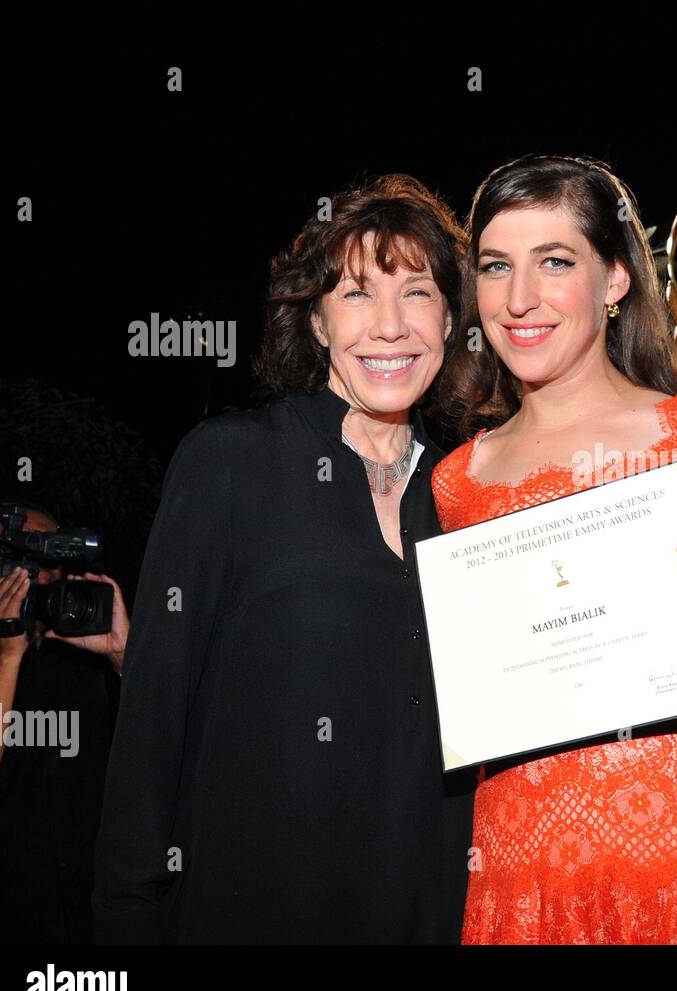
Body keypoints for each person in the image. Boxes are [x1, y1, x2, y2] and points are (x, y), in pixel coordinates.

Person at [431, 155, 677, 943]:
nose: (519, 300)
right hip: (529, 863)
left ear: (614, 278)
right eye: (496, 267)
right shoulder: (455, 484)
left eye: (554, 262)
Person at [92, 174, 474, 943]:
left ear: (452, 318)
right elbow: (155, 716)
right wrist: (127, 922)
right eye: (358, 294)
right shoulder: (231, 463)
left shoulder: (474, 491)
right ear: (319, 321)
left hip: (430, 911)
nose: (391, 327)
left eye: (418, 293)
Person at [0, 502, 128, 943]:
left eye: (48, 559)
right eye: (19, 558)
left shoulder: (84, 660)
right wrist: (7, 656)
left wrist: (125, 657)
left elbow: (168, 750)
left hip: (85, 917)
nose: (34, 575)